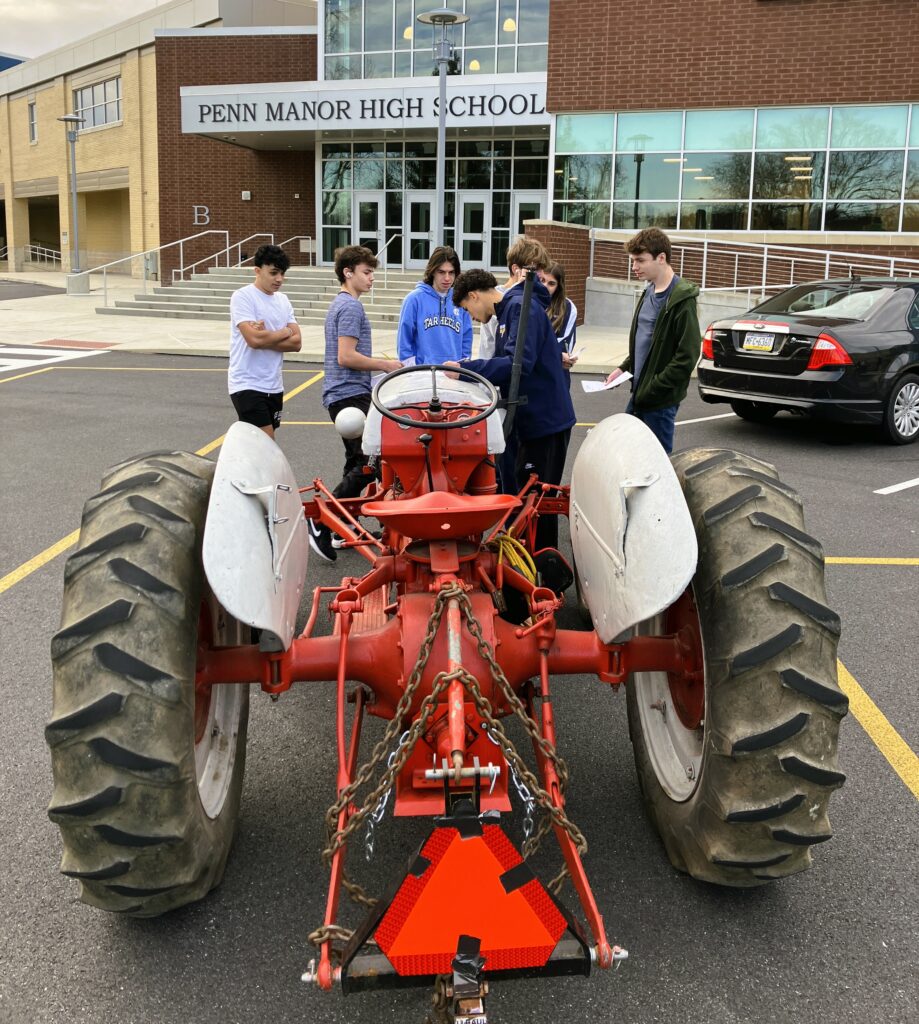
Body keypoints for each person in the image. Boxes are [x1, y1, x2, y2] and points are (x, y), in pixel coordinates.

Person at [450, 268, 576, 551]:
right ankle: (525, 560)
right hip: (530, 420)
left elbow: (518, 364)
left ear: (473, 295)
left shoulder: (520, 308)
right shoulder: (510, 311)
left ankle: (544, 569)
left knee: (538, 503)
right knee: (524, 495)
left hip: (545, 423)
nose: (469, 316)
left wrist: (465, 370)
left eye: (466, 308)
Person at [310, 245, 402, 562]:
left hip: (344, 393)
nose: (371, 277)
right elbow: (346, 356)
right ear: (348, 273)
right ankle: (322, 519)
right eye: (366, 271)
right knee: (368, 464)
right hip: (349, 394)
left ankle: (341, 529)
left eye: (372, 271)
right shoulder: (350, 308)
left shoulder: (341, 305)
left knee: (356, 462)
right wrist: (385, 365)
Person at [605, 228, 700, 455]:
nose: (634, 267)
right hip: (640, 395)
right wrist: (624, 368)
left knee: (657, 466)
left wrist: (653, 388)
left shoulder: (681, 299)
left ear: (661, 258)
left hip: (659, 401)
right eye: (632, 260)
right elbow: (646, 343)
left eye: (640, 260)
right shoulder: (648, 292)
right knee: (631, 457)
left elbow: (687, 356)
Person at [227, 244, 301, 439]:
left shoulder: (283, 300)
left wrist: (267, 335)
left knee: (256, 446)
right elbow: (253, 340)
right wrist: (285, 331)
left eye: (282, 273)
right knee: (266, 443)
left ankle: (236, 470)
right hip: (247, 384)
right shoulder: (243, 297)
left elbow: (297, 343)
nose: (279, 279)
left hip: (274, 385)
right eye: (274, 273)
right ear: (257, 271)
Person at [396, 245, 473, 365]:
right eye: (441, 272)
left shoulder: (461, 300)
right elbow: (404, 341)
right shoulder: (414, 300)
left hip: (453, 373)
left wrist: (463, 366)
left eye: (451, 272)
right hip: (422, 374)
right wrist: (410, 371)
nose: (447, 278)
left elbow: (466, 338)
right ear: (432, 272)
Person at [541, 262, 579, 382]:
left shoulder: (567, 307)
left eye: (551, 283)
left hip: (556, 373)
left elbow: (564, 345)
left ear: (559, 286)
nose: (545, 286)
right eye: (542, 280)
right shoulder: (525, 302)